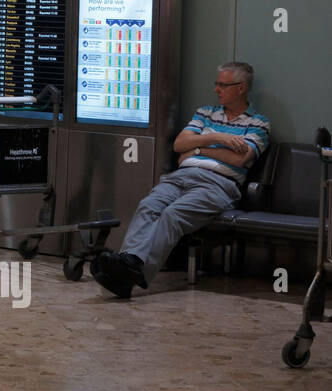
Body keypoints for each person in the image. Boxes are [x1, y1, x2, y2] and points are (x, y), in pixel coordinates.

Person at [91, 61, 269, 298]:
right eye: (216, 84)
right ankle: (130, 260)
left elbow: (239, 159)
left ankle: (135, 273)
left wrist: (198, 149)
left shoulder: (258, 123)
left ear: (242, 88)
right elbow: (179, 144)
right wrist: (219, 138)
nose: (217, 89)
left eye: (223, 85)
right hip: (181, 177)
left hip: (218, 184)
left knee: (172, 215)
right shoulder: (205, 113)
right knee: (149, 205)